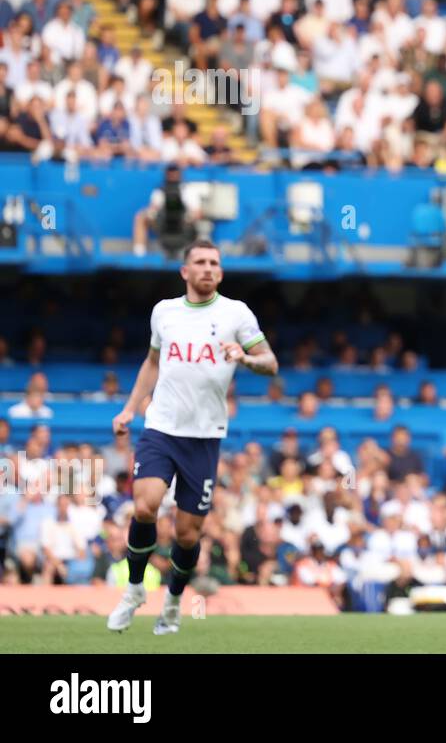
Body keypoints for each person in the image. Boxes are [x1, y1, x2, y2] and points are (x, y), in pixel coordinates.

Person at [107, 240, 278, 635]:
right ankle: (134, 590)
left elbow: (270, 362)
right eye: (199, 262)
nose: (208, 268)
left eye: (214, 263)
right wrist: (130, 408)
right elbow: (152, 362)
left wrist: (246, 358)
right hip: (161, 428)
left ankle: (171, 602)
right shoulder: (164, 312)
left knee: (187, 534)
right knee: (146, 506)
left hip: (203, 437)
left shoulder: (236, 313)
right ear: (185, 271)